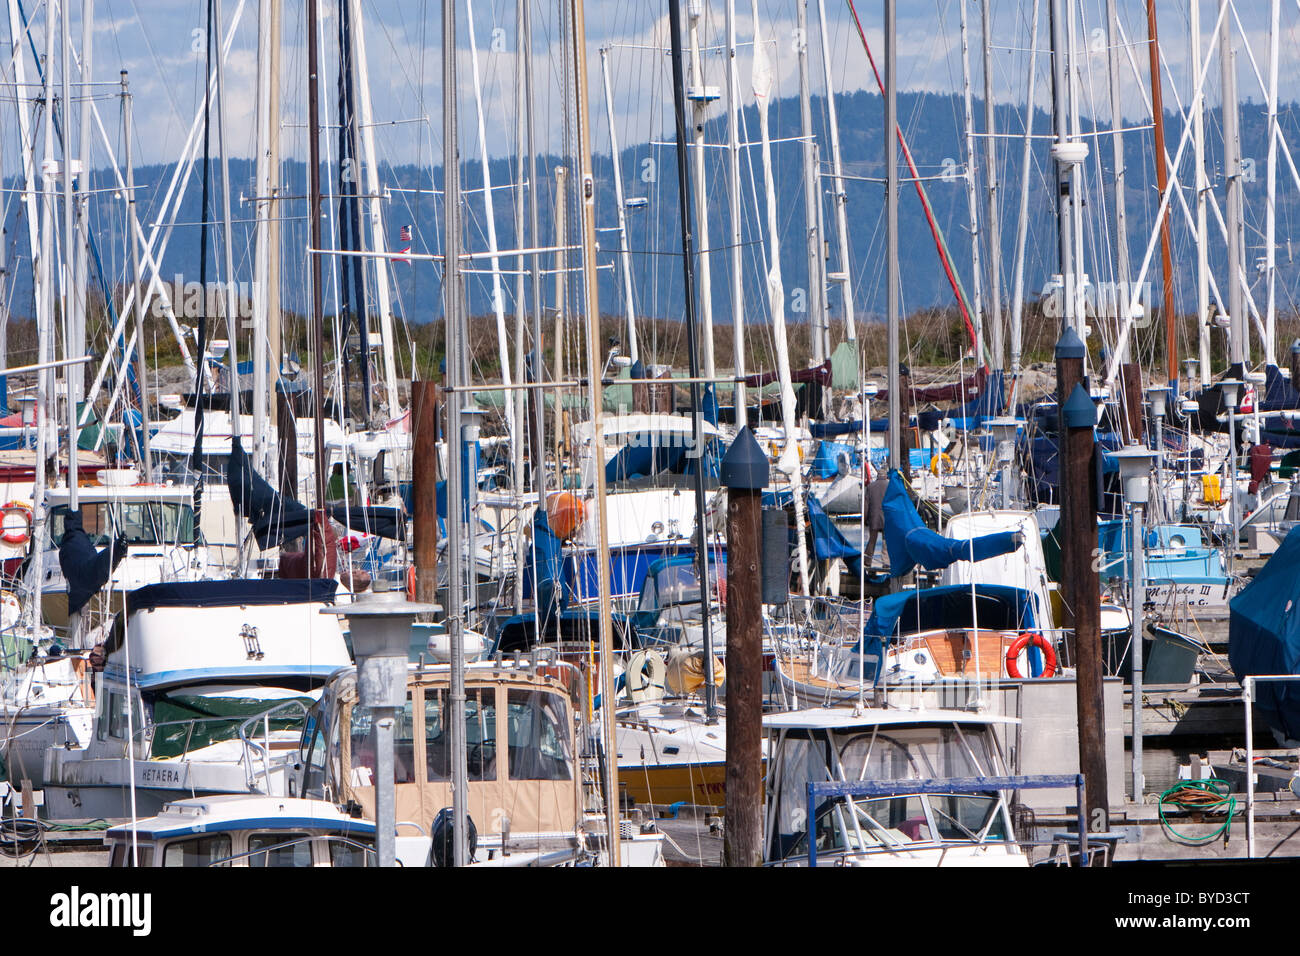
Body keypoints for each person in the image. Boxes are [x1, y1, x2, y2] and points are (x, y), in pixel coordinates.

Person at [864, 468, 889, 568]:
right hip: (886, 519)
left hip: (874, 518)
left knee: (872, 541)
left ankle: (867, 561)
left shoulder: (870, 487)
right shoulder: (889, 486)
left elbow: (866, 505)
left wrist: (865, 519)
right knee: (886, 542)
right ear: (885, 476)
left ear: (877, 476)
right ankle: (886, 562)